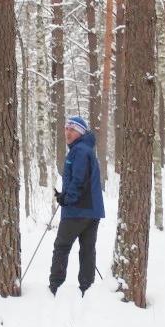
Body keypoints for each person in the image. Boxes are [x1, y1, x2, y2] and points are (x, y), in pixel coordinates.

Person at [50, 115, 104, 296]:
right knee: (87, 249)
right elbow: (82, 180)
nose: (68, 132)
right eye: (66, 129)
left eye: (72, 129)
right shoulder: (86, 150)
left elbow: (79, 179)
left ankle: (54, 286)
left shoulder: (79, 151)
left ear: (80, 132)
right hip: (92, 210)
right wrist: (64, 195)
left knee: (62, 246)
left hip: (77, 210)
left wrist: (68, 198)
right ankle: (87, 288)